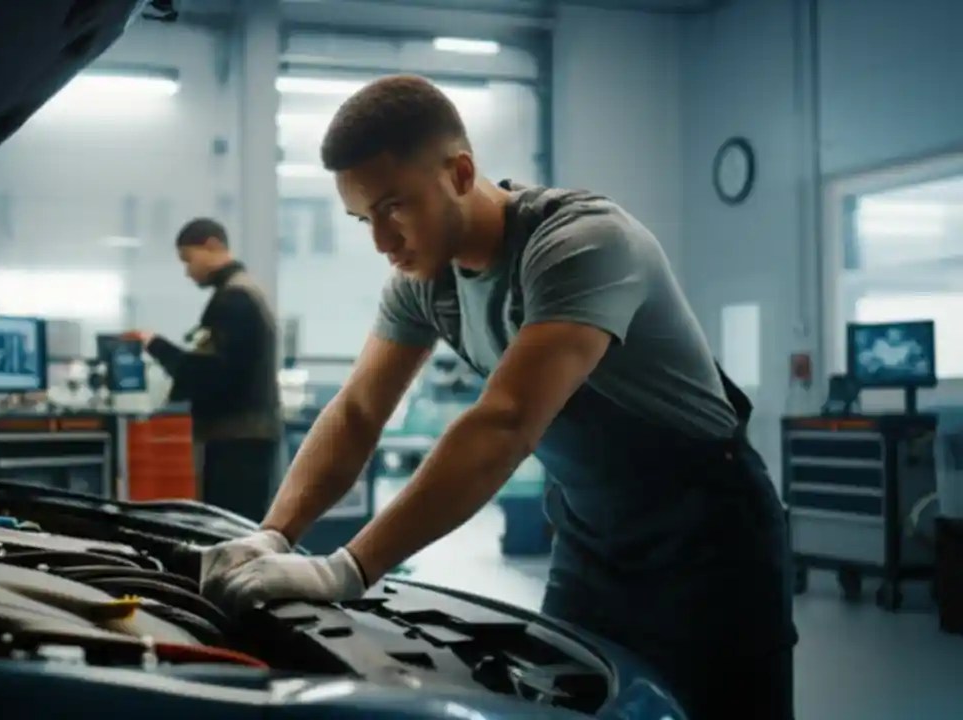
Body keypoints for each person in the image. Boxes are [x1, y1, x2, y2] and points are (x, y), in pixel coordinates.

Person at [197, 75, 797, 720]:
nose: (381, 240)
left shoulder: (581, 243)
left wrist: (347, 570)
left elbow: (506, 423)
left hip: (710, 537)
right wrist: (274, 537)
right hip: (591, 539)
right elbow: (358, 410)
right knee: (578, 710)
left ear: (459, 172)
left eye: (395, 206)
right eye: (363, 217)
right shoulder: (424, 279)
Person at [131, 218, 282, 520]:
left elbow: (210, 374)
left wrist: (156, 345)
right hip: (249, 437)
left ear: (212, 246)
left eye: (189, 259)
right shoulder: (245, 291)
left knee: (229, 530)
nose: (187, 272)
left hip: (236, 442)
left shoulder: (234, 300)